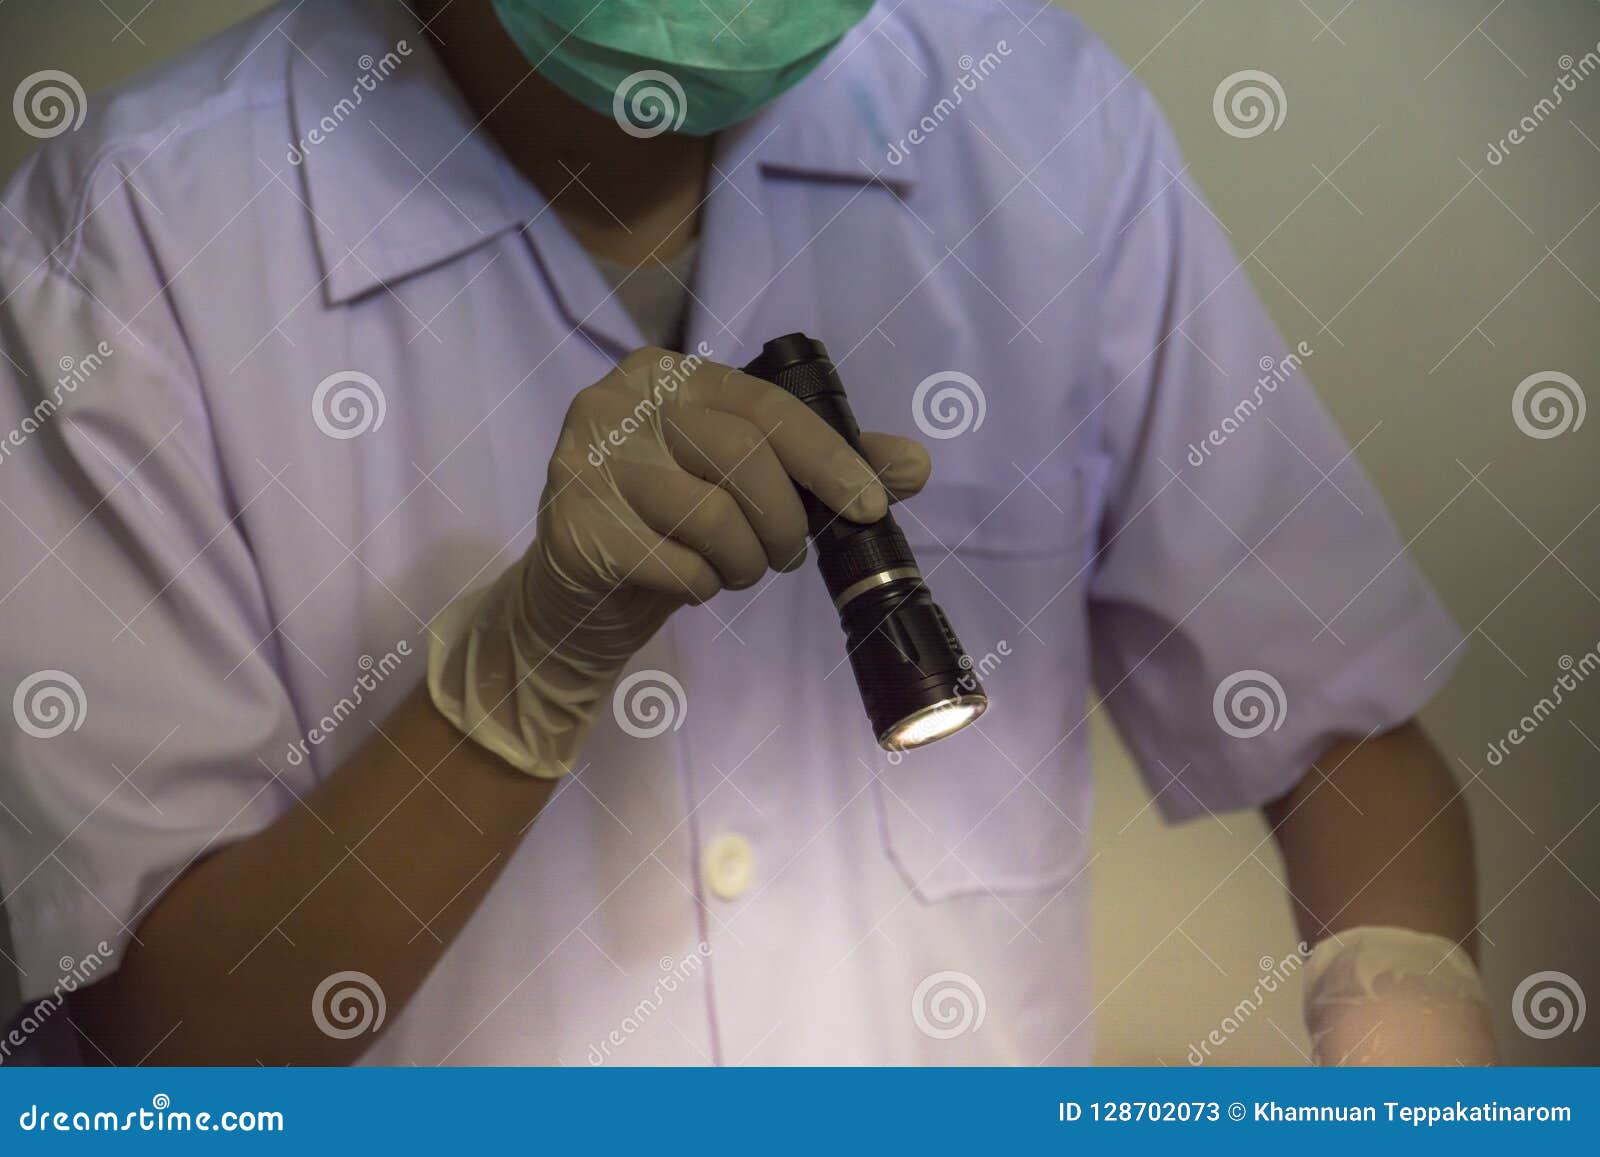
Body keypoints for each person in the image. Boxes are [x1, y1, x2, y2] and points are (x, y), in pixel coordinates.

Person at [0, 0, 1496, 1066]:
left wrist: (1409, 1027)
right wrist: (519, 673)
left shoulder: (1037, 117)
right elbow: (178, 1042)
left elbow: (1339, 730)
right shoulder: (136, 234)